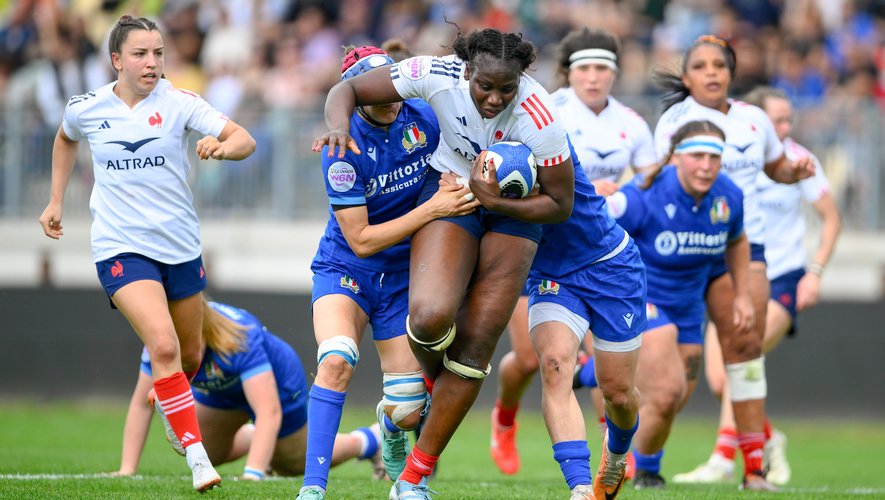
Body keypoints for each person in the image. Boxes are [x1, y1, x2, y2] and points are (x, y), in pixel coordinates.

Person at [313, 27, 587, 499]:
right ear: (465, 72)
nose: (495, 97)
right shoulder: (433, 73)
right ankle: (415, 391)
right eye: (485, 86)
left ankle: (413, 478)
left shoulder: (541, 118)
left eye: (508, 87)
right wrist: (338, 126)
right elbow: (349, 88)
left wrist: (497, 203)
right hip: (451, 193)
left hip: (516, 215)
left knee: (475, 350)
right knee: (428, 316)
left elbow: (560, 204)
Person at [37, 15, 256, 493]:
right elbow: (64, 138)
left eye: (158, 52)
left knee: (190, 353)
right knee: (163, 346)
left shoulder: (179, 104)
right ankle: (198, 459)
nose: (152, 62)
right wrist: (55, 200)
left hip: (179, 247)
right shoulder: (88, 107)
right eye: (140, 54)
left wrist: (222, 149)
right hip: (120, 247)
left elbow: (244, 138)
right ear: (117, 60)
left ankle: (167, 399)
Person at [297, 44, 478, 500]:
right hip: (347, 268)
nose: (391, 97)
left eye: (394, 86)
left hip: (403, 276)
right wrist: (434, 208)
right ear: (357, 94)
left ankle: (392, 436)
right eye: (378, 91)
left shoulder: (424, 116)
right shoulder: (341, 148)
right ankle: (312, 489)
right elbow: (361, 239)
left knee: (408, 413)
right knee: (336, 359)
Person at [490, 27, 657, 477]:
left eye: (603, 68)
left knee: (615, 383)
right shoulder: (544, 110)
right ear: (569, 72)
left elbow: (650, 188)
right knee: (541, 360)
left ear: (616, 74)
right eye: (585, 67)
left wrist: (615, 197)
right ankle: (507, 422)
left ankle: (615, 452)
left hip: (603, 255)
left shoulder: (632, 125)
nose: (594, 77)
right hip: (541, 256)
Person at [652, 34, 814, 491]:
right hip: (683, 249)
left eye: (718, 65)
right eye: (700, 66)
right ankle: (645, 459)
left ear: (730, 72)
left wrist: (792, 172)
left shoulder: (754, 119)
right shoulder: (674, 122)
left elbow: (775, 166)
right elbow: (659, 182)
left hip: (744, 247)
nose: (711, 73)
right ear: (687, 77)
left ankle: (753, 469)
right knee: (673, 370)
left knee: (744, 352)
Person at [674, 86, 841, 487]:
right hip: (731, 276)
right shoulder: (725, 161)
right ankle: (768, 438)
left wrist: (815, 272)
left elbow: (832, 218)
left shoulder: (799, 160)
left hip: (782, 277)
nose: (784, 127)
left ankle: (724, 457)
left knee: (742, 364)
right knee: (720, 379)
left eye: (788, 120)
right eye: (778, 120)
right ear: (757, 123)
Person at [604, 120, 751, 490]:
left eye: (714, 157)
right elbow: (600, 225)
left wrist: (744, 294)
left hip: (689, 308)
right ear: (675, 158)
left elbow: (737, 241)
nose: (706, 165)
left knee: (676, 398)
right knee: (666, 391)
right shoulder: (645, 192)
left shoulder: (728, 197)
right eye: (697, 156)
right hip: (643, 300)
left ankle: (592, 375)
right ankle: (642, 467)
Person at [110, 298, 383, 480]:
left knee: (291, 462)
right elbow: (139, 404)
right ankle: (260, 439)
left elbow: (268, 411)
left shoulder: (237, 338)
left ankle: (369, 440)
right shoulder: (162, 343)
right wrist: (127, 469)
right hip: (223, 391)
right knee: (203, 451)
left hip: (280, 384)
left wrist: (253, 475)